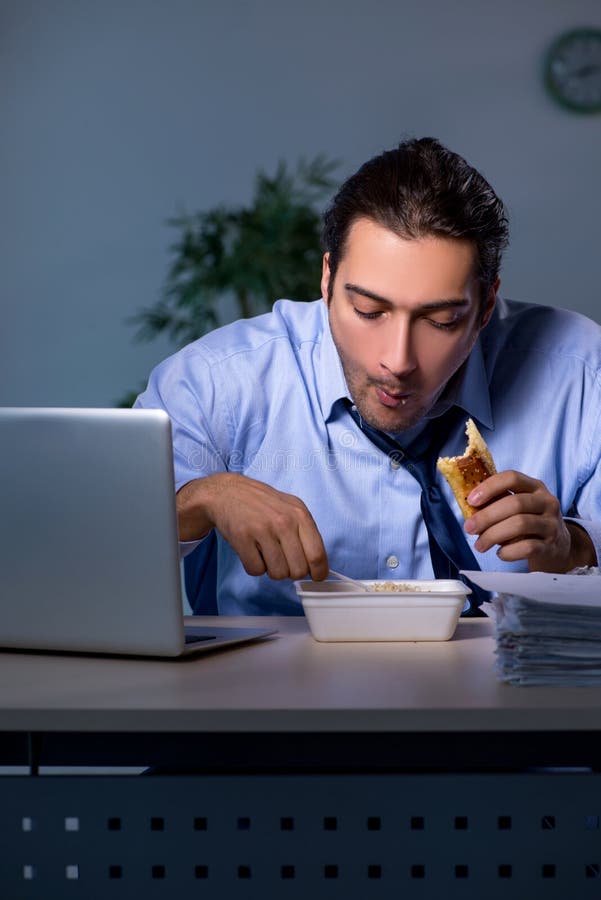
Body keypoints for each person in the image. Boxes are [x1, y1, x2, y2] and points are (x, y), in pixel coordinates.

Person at [135, 137, 601, 616]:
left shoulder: (583, 374)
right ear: (327, 280)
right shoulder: (216, 381)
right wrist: (197, 500)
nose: (397, 361)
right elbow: (89, 541)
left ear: (485, 306)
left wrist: (574, 548)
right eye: (368, 310)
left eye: (441, 321)